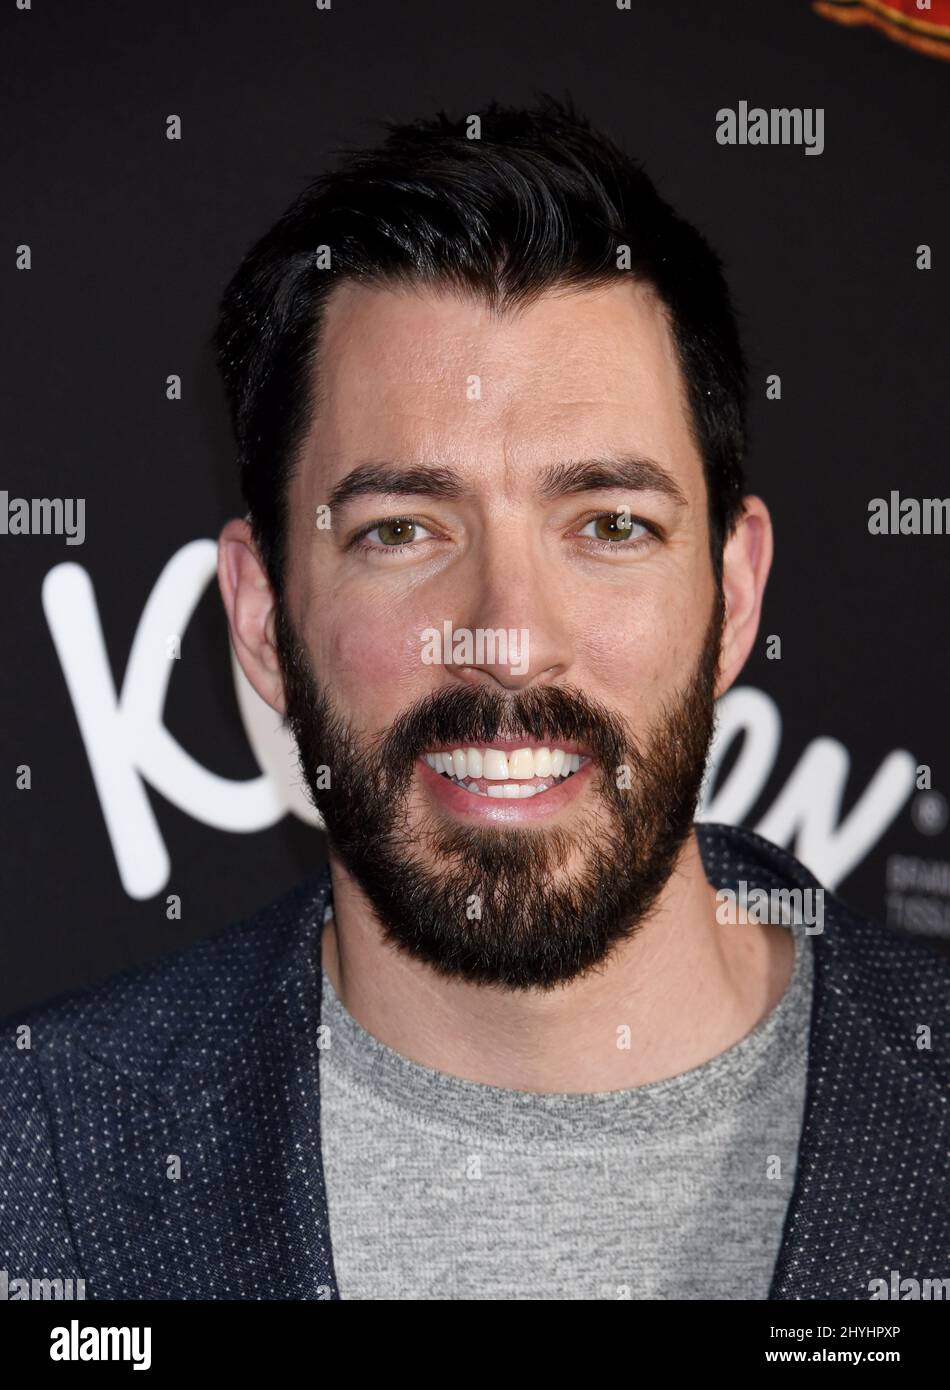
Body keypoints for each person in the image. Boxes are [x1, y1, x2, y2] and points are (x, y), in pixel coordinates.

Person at [2, 97, 947, 1302]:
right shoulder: (36, 1165)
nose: (507, 640)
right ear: (260, 615)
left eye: (609, 525)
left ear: (733, 592)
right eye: (402, 530)